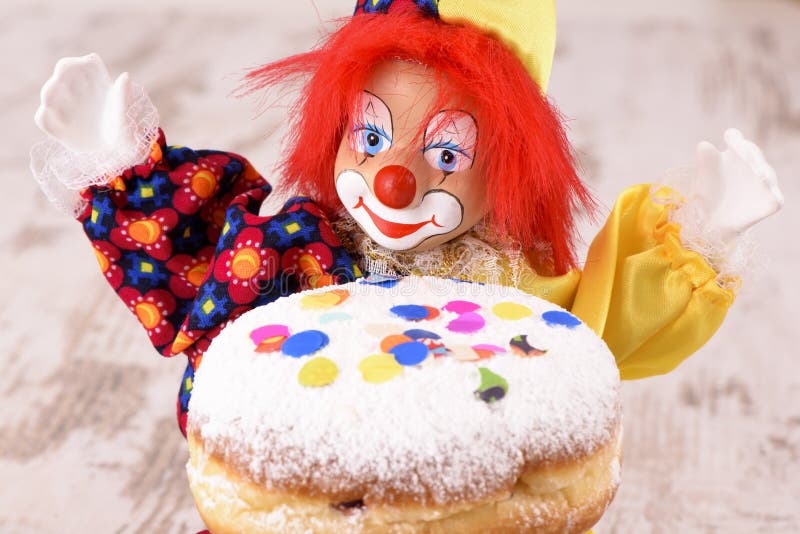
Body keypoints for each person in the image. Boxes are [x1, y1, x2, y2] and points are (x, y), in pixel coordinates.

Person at [31, 0, 783, 436]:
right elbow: (190, 252)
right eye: (370, 135)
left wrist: (702, 233)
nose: (394, 182)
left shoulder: (503, 289)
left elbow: (603, 328)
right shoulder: (294, 243)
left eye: (449, 154)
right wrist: (121, 159)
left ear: (512, 168)